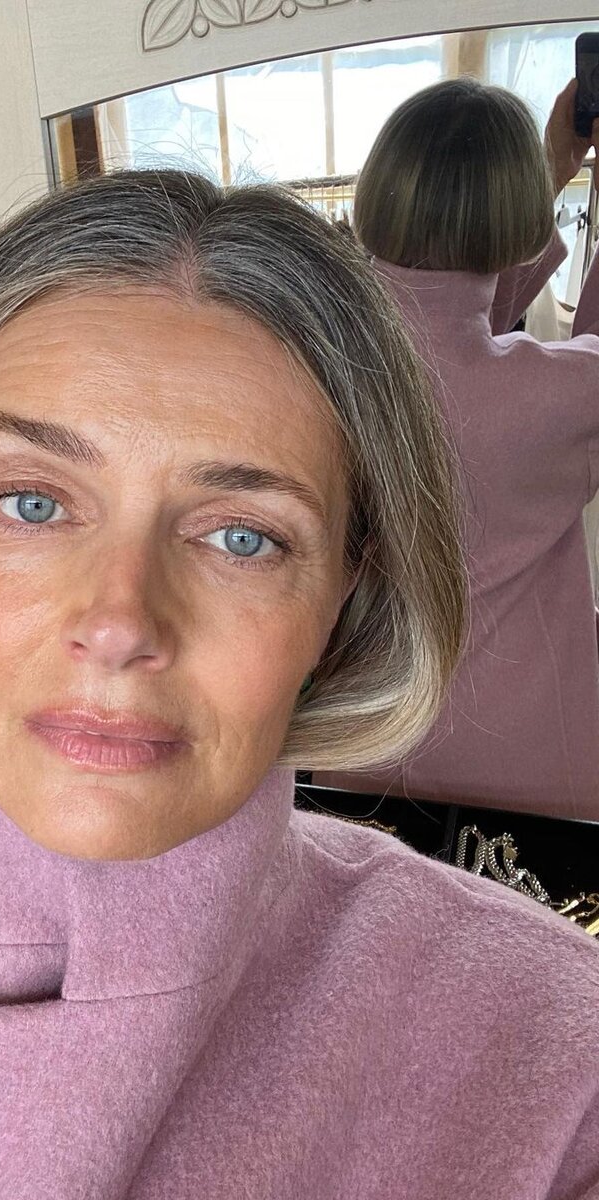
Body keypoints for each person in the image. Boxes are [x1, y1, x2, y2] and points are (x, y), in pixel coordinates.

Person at [0, 169, 598, 1199]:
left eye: (243, 537)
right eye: (32, 503)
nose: (119, 622)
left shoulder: (553, 1047)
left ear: (340, 597)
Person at [316, 78, 599, 820]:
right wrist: (547, 179)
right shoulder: (561, 398)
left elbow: (438, 328)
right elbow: (471, 338)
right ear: (519, 224)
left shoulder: (319, 370)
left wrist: (548, 169)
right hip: (532, 775)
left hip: (359, 752)